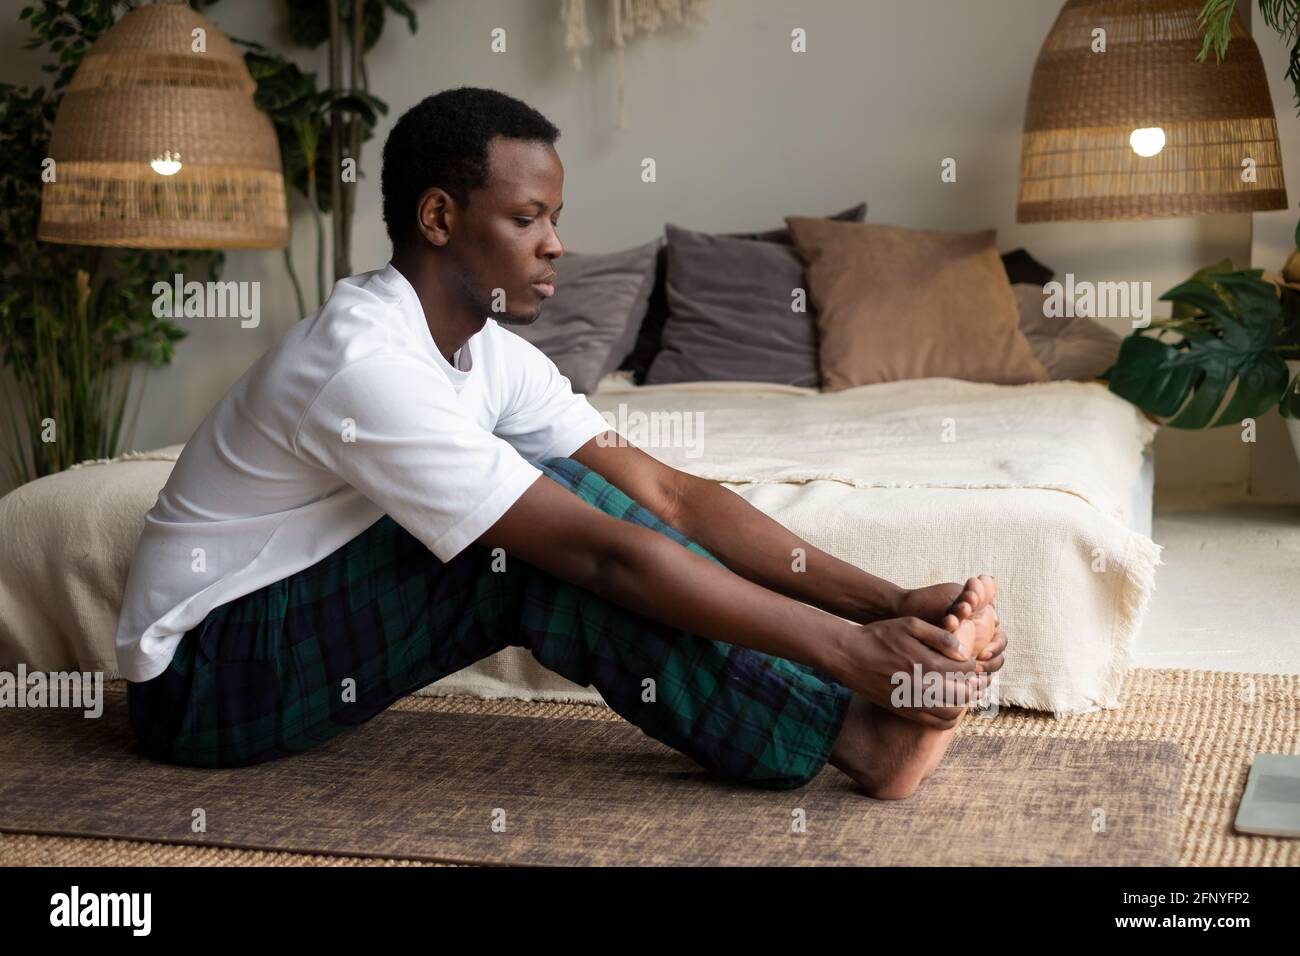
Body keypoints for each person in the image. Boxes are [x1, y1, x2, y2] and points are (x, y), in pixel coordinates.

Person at [119, 86, 1007, 800]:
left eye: (555, 217)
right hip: (203, 681)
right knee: (538, 548)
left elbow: (671, 497)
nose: (557, 244)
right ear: (438, 218)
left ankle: (851, 719)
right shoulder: (362, 363)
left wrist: (884, 606)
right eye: (528, 218)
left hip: (274, 635)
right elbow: (605, 556)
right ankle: (857, 734)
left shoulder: (489, 352)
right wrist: (851, 655)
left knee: (560, 508)